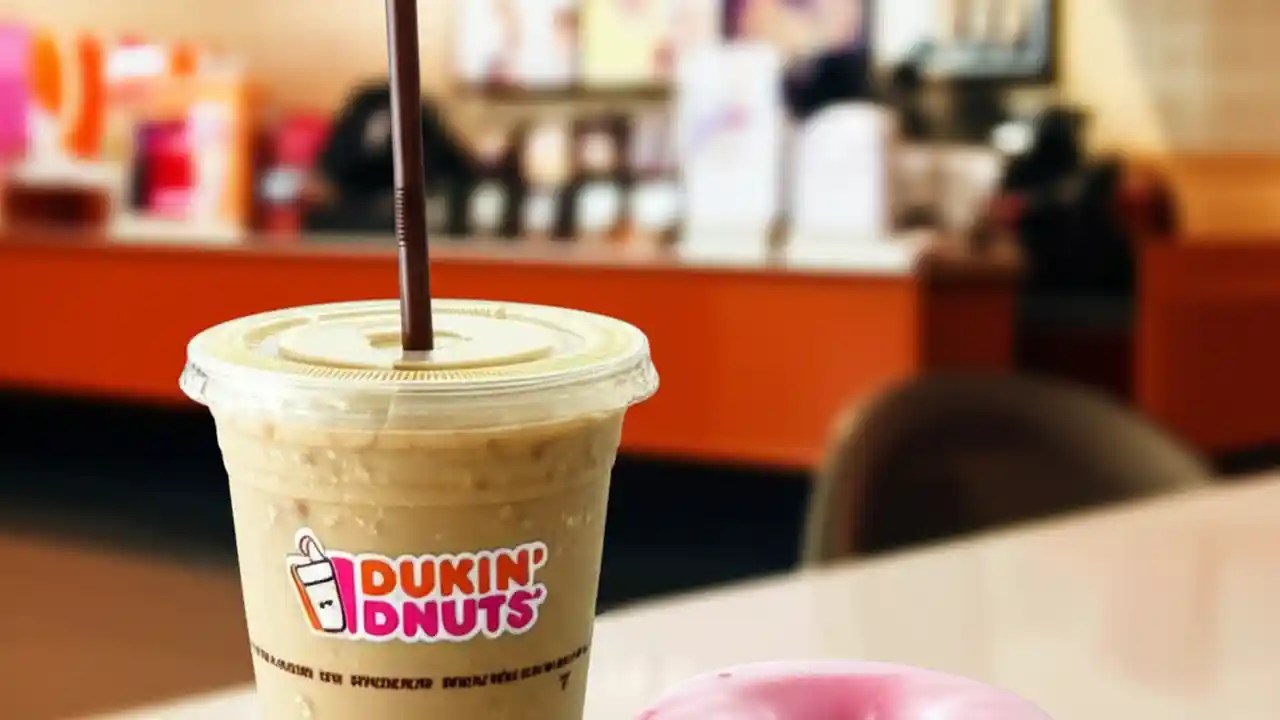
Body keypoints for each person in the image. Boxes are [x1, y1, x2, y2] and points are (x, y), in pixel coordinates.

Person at [303, 82, 476, 235]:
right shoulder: (353, 127)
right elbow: (330, 168)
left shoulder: (424, 124)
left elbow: (455, 167)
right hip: (354, 205)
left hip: (408, 206)